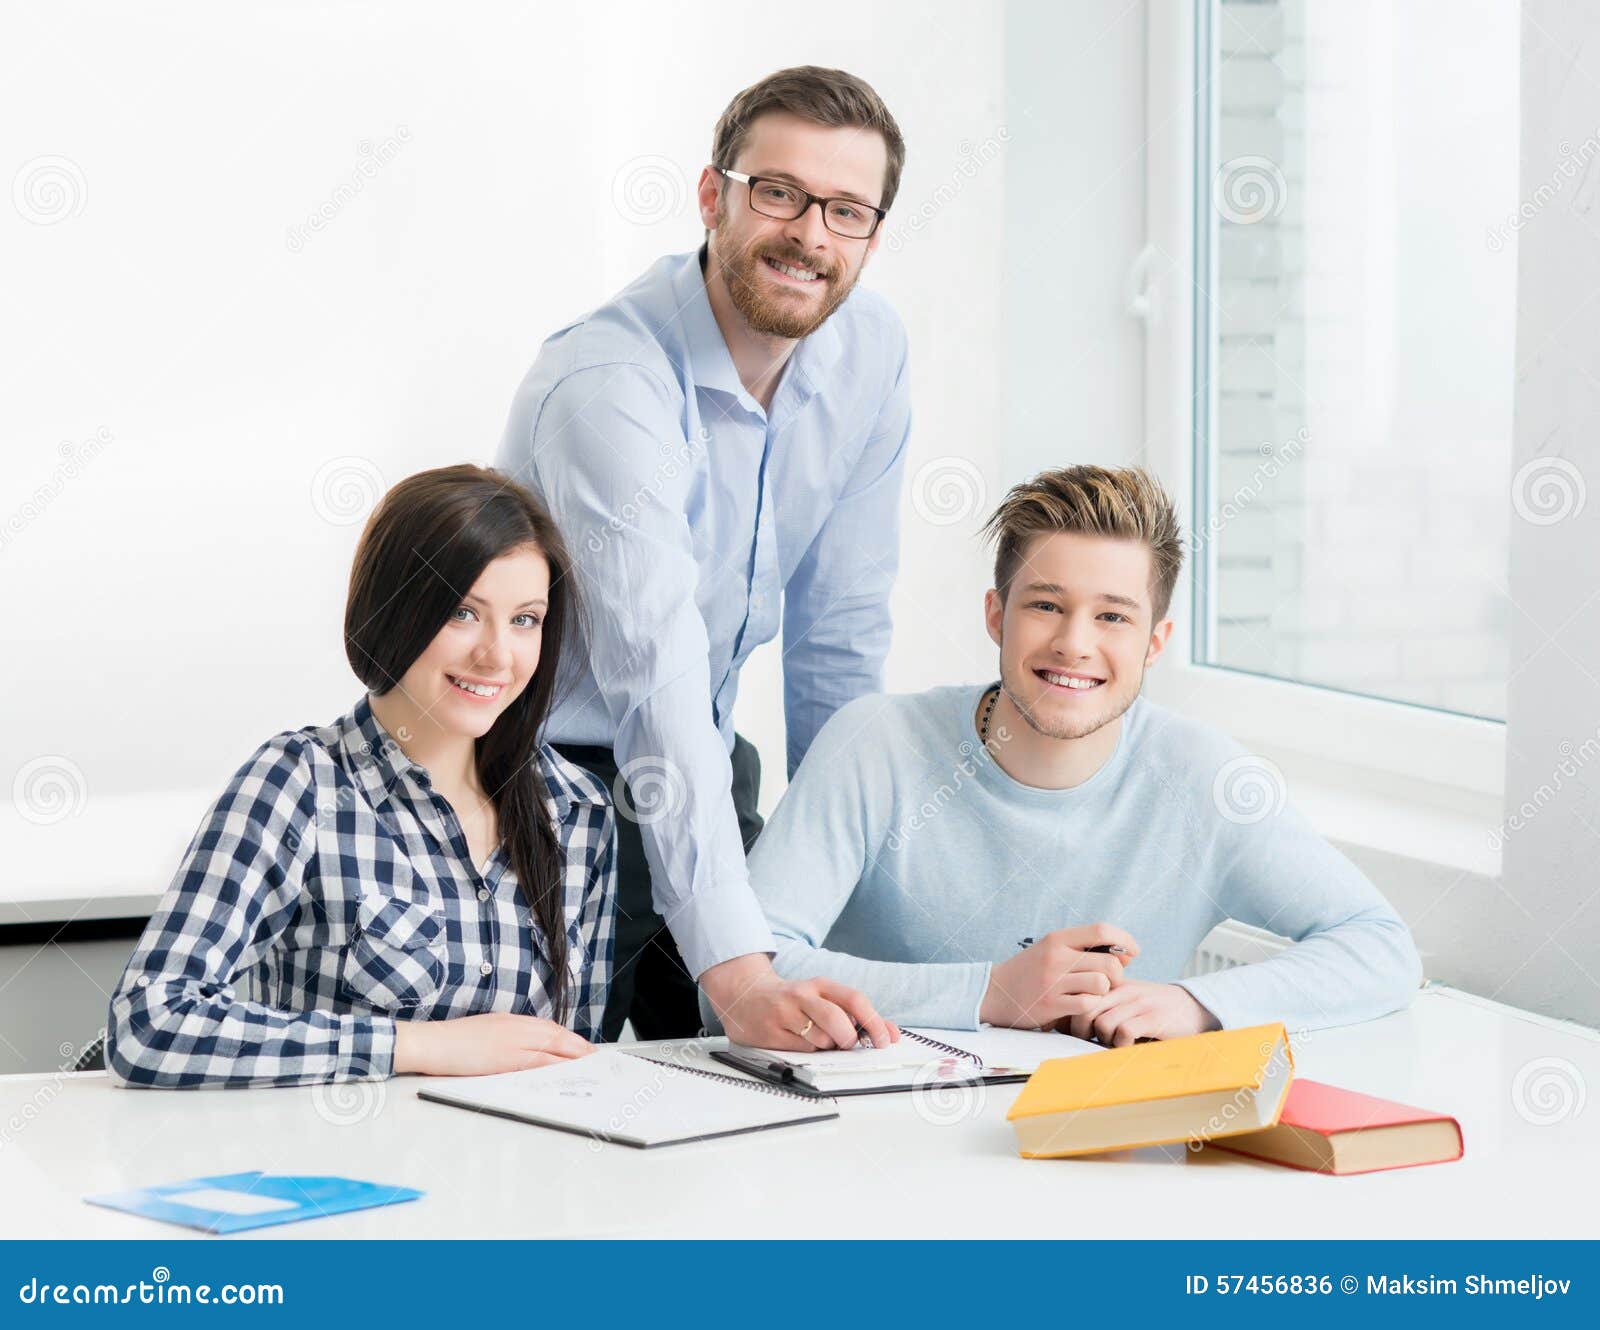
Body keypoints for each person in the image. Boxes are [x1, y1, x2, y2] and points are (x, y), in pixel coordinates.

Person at [719, 465, 1423, 1044]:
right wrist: (993, 992)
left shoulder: (1205, 779)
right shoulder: (874, 744)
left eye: (1113, 616)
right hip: (869, 1143)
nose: (1075, 644)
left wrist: (1194, 1004)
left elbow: (1381, 947)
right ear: (996, 614)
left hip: (1094, 1158)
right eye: (1046, 606)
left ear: (1154, 642)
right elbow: (750, 975)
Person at [496, 66, 909, 1051]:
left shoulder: (870, 350)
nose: (810, 234)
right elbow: (656, 676)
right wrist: (739, 972)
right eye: (779, 192)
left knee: (797, 1073)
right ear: (712, 196)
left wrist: (831, 883)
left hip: (704, 769)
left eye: (846, 210)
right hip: (543, 796)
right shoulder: (609, 384)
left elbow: (838, 643)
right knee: (556, 1094)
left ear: (871, 234)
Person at [106, 465, 615, 1086]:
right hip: (341, 1175)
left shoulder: (578, 809)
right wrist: (418, 1047)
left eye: (525, 620)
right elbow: (149, 1022)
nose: (498, 656)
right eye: (462, 612)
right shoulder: (300, 784)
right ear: (396, 609)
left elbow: (576, 1057)